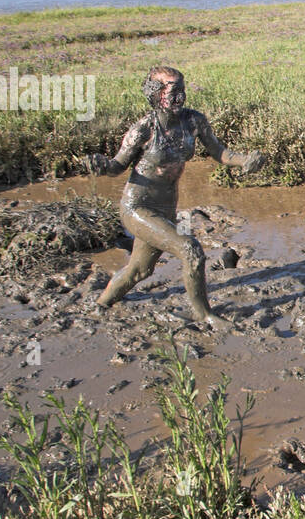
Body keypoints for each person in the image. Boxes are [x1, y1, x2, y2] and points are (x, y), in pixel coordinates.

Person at [85, 65, 265, 328]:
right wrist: (102, 165)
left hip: (166, 208)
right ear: (155, 94)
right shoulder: (143, 129)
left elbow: (219, 152)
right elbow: (117, 166)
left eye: (182, 90)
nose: (179, 97)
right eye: (172, 91)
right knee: (190, 249)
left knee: (140, 271)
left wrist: (245, 160)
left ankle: (101, 305)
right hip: (137, 208)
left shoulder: (193, 121)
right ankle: (202, 315)